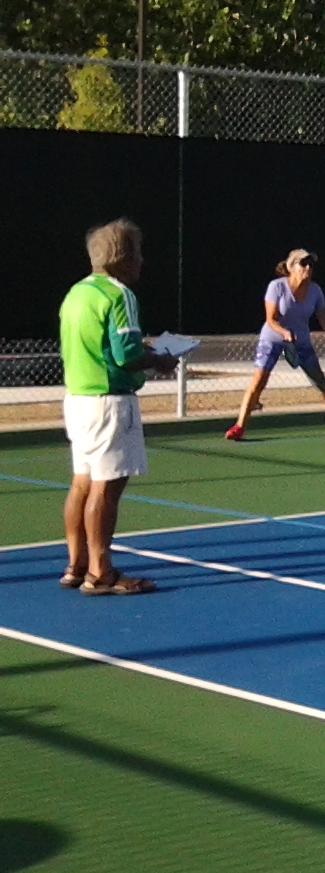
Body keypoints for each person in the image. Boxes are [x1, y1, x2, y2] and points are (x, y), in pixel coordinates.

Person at [58, 218, 179, 595]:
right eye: (138, 254)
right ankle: (101, 571)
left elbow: (104, 347)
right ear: (123, 259)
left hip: (78, 398)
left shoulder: (76, 293)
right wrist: (158, 359)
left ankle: (76, 564)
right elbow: (125, 355)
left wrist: (142, 351)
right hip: (110, 402)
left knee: (81, 482)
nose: (142, 262)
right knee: (106, 488)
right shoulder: (119, 294)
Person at [224, 250, 325, 440]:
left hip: (300, 342)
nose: (308, 268)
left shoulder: (315, 291)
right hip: (272, 339)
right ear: (291, 267)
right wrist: (284, 333)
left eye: (310, 264)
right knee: (258, 381)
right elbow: (271, 319)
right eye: (303, 264)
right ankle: (239, 426)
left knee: (320, 381)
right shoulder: (276, 287)